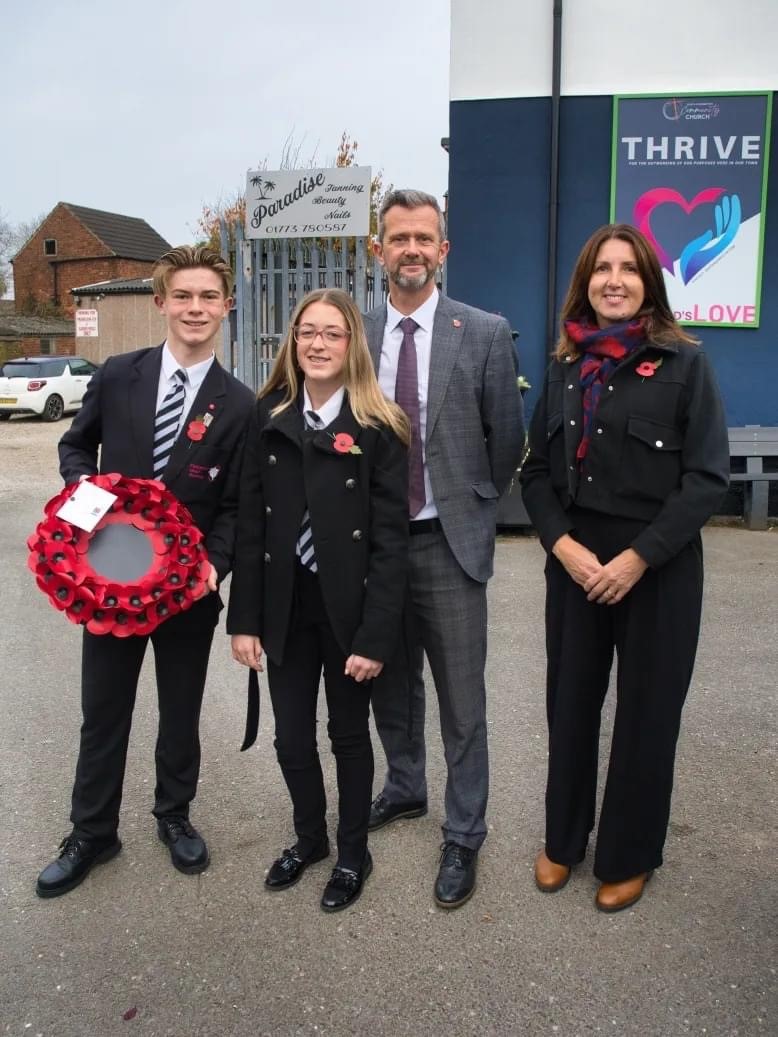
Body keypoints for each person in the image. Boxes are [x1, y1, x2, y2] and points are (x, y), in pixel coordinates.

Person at [520, 223, 729, 912]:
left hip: (657, 567)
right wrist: (565, 547)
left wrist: (638, 558)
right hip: (576, 563)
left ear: (648, 282)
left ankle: (629, 852)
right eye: (602, 269)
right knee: (570, 704)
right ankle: (563, 839)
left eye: (628, 269)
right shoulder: (561, 367)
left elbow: (704, 479)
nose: (614, 279)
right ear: (585, 282)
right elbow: (538, 473)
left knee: (647, 714)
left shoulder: (683, 363)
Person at [36, 246, 255, 898]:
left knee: (181, 712)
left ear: (226, 305)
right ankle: (92, 831)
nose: (195, 309)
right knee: (102, 712)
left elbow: (241, 506)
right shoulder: (117, 375)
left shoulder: (239, 404)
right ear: (162, 301)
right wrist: (91, 501)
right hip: (111, 579)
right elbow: (75, 446)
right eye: (183, 296)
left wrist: (212, 568)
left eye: (207, 297)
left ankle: (174, 814)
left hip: (187, 593)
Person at [363, 189, 525, 908]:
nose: (412, 250)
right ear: (378, 249)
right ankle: (404, 785)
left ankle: (464, 833)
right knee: (389, 686)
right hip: (375, 549)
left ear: (443, 249)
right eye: (398, 238)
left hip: (449, 543)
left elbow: (507, 440)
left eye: (424, 238)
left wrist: (469, 501)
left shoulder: (484, 332)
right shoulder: (355, 332)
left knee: (463, 702)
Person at [228, 288, 409, 913]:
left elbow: (391, 544)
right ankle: (311, 838)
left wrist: (375, 637)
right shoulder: (269, 415)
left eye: (332, 333)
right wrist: (243, 620)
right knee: (291, 740)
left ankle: (353, 850)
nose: (319, 344)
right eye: (308, 332)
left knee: (349, 736)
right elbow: (251, 523)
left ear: (351, 343)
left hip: (349, 609)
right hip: (284, 602)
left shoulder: (379, 426)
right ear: (293, 342)